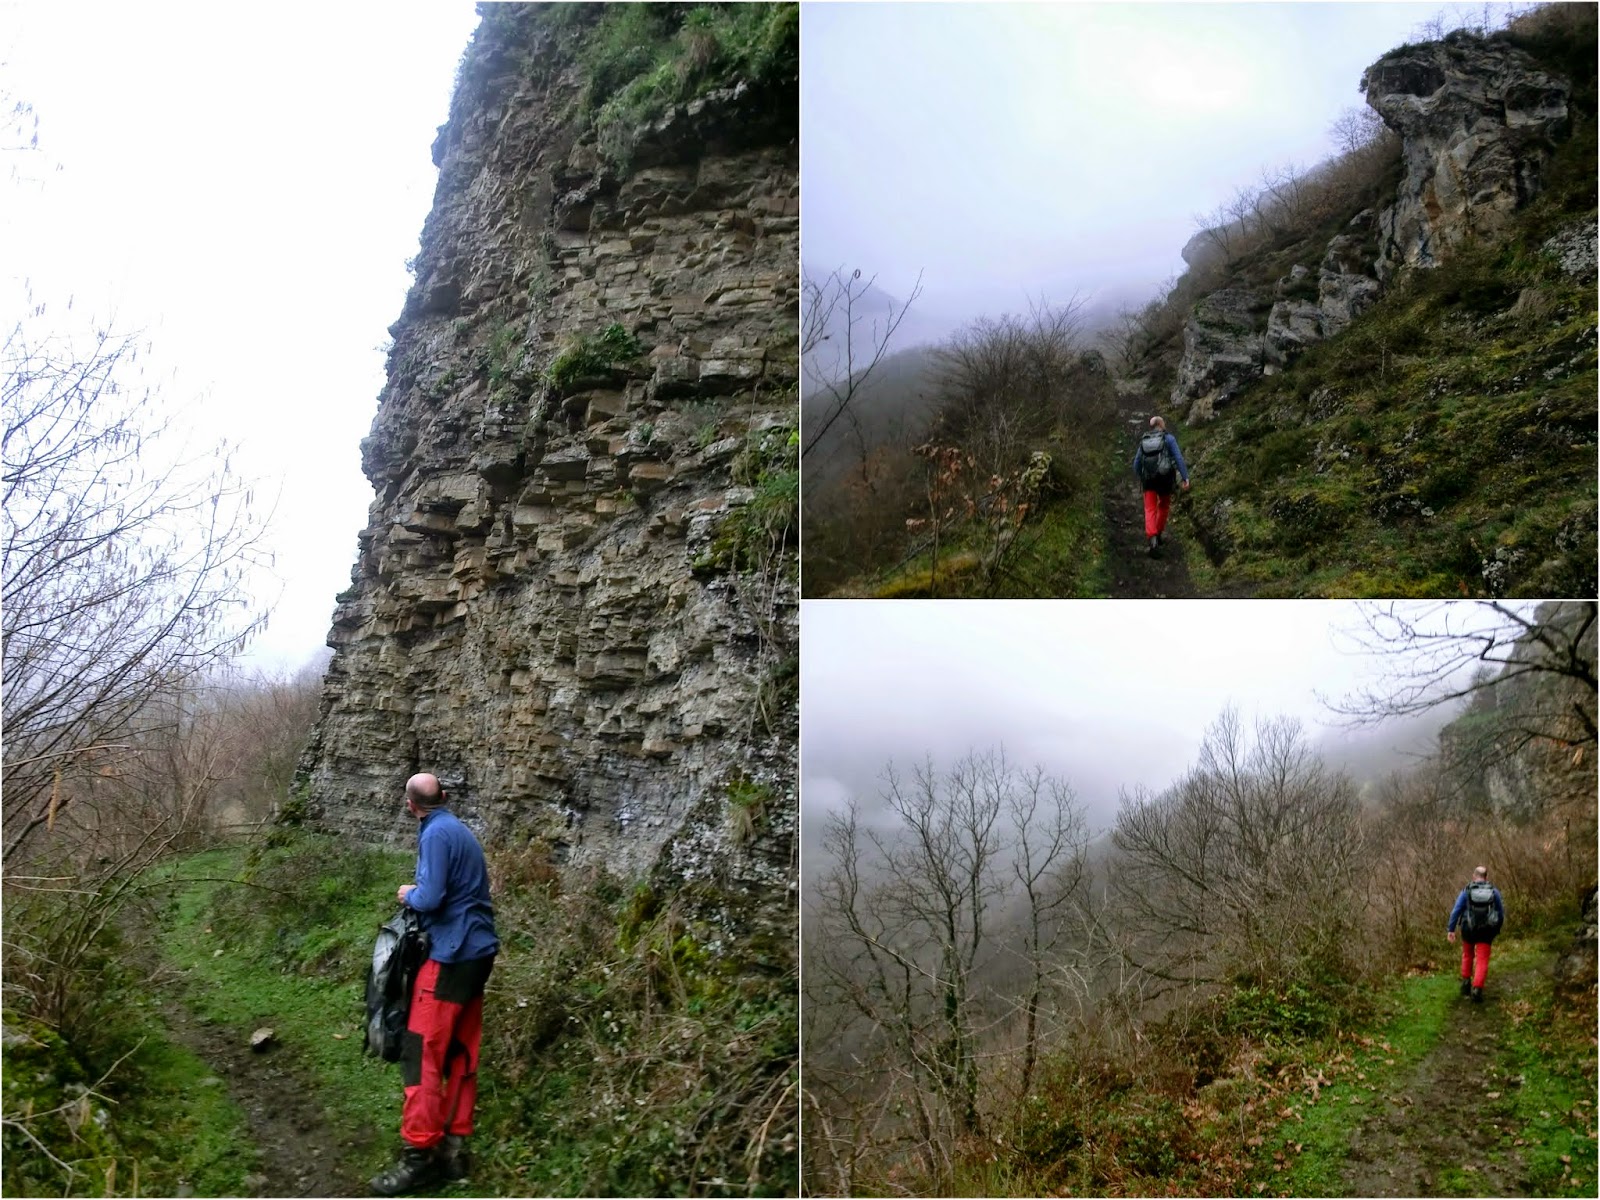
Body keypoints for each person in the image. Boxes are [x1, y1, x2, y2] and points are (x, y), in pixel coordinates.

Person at [371, 773, 500, 1196]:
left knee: (421, 1050)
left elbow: (431, 898)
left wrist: (407, 892)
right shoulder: (458, 829)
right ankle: (455, 1152)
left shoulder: (436, 835)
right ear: (444, 796)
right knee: (462, 1047)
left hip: (450, 955)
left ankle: (419, 1157)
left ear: (411, 805)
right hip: (478, 954)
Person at [1132, 415, 1191, 556]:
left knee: (1150, 508)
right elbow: (1178, 458)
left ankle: (1152, 540)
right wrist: (1185, 477)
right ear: (1160, 424)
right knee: (1163, 506)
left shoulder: (1144, 440)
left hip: (1149, 480)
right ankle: (1158, 533)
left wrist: (1142, 476)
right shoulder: (1169, 439)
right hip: (1165, 479)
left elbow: (1136, 464)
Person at [1446, 865, 1505, 1004]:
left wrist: (1451, 929)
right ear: (1486, 877)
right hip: (1486, 930)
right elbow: (1500, 914)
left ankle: (1466, 983)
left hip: (1468, 928)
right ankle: (1477, 989)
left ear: (1474, 876)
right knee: (1482, 959)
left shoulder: (1466, 891)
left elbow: (1456, 911)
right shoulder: (1494, 891)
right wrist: (1497, 929)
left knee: (1467, 955)